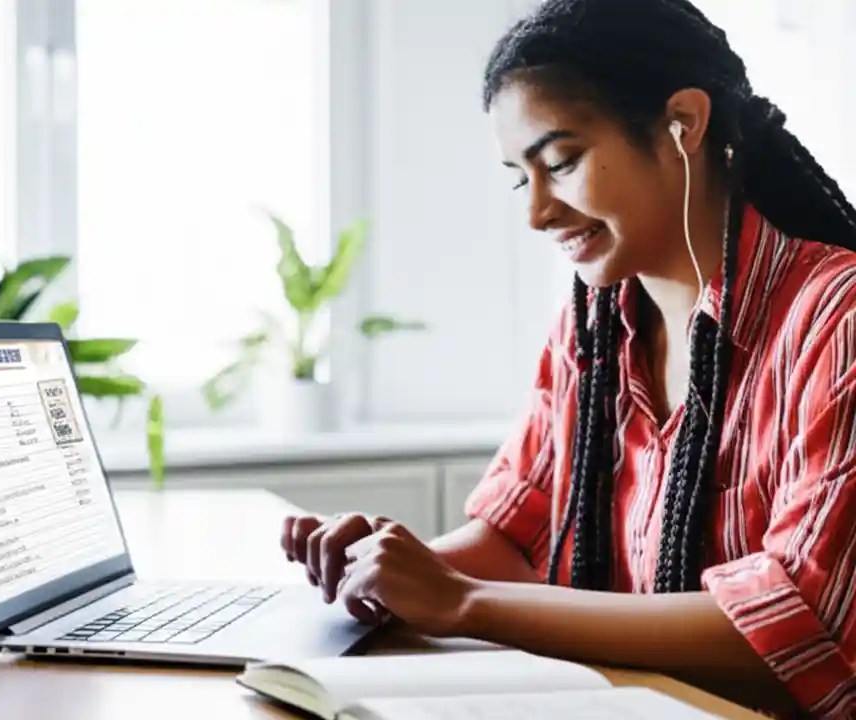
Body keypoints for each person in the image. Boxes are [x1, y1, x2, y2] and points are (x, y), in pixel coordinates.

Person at [280, 0, 856, 715]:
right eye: (523, 178)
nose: (537, 212)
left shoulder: (837, 320)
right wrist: (391, 574)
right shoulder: (594, 324)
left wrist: (464, 603)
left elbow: (797, 633)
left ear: (684, 124)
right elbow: (518, 535)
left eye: (562, 162)